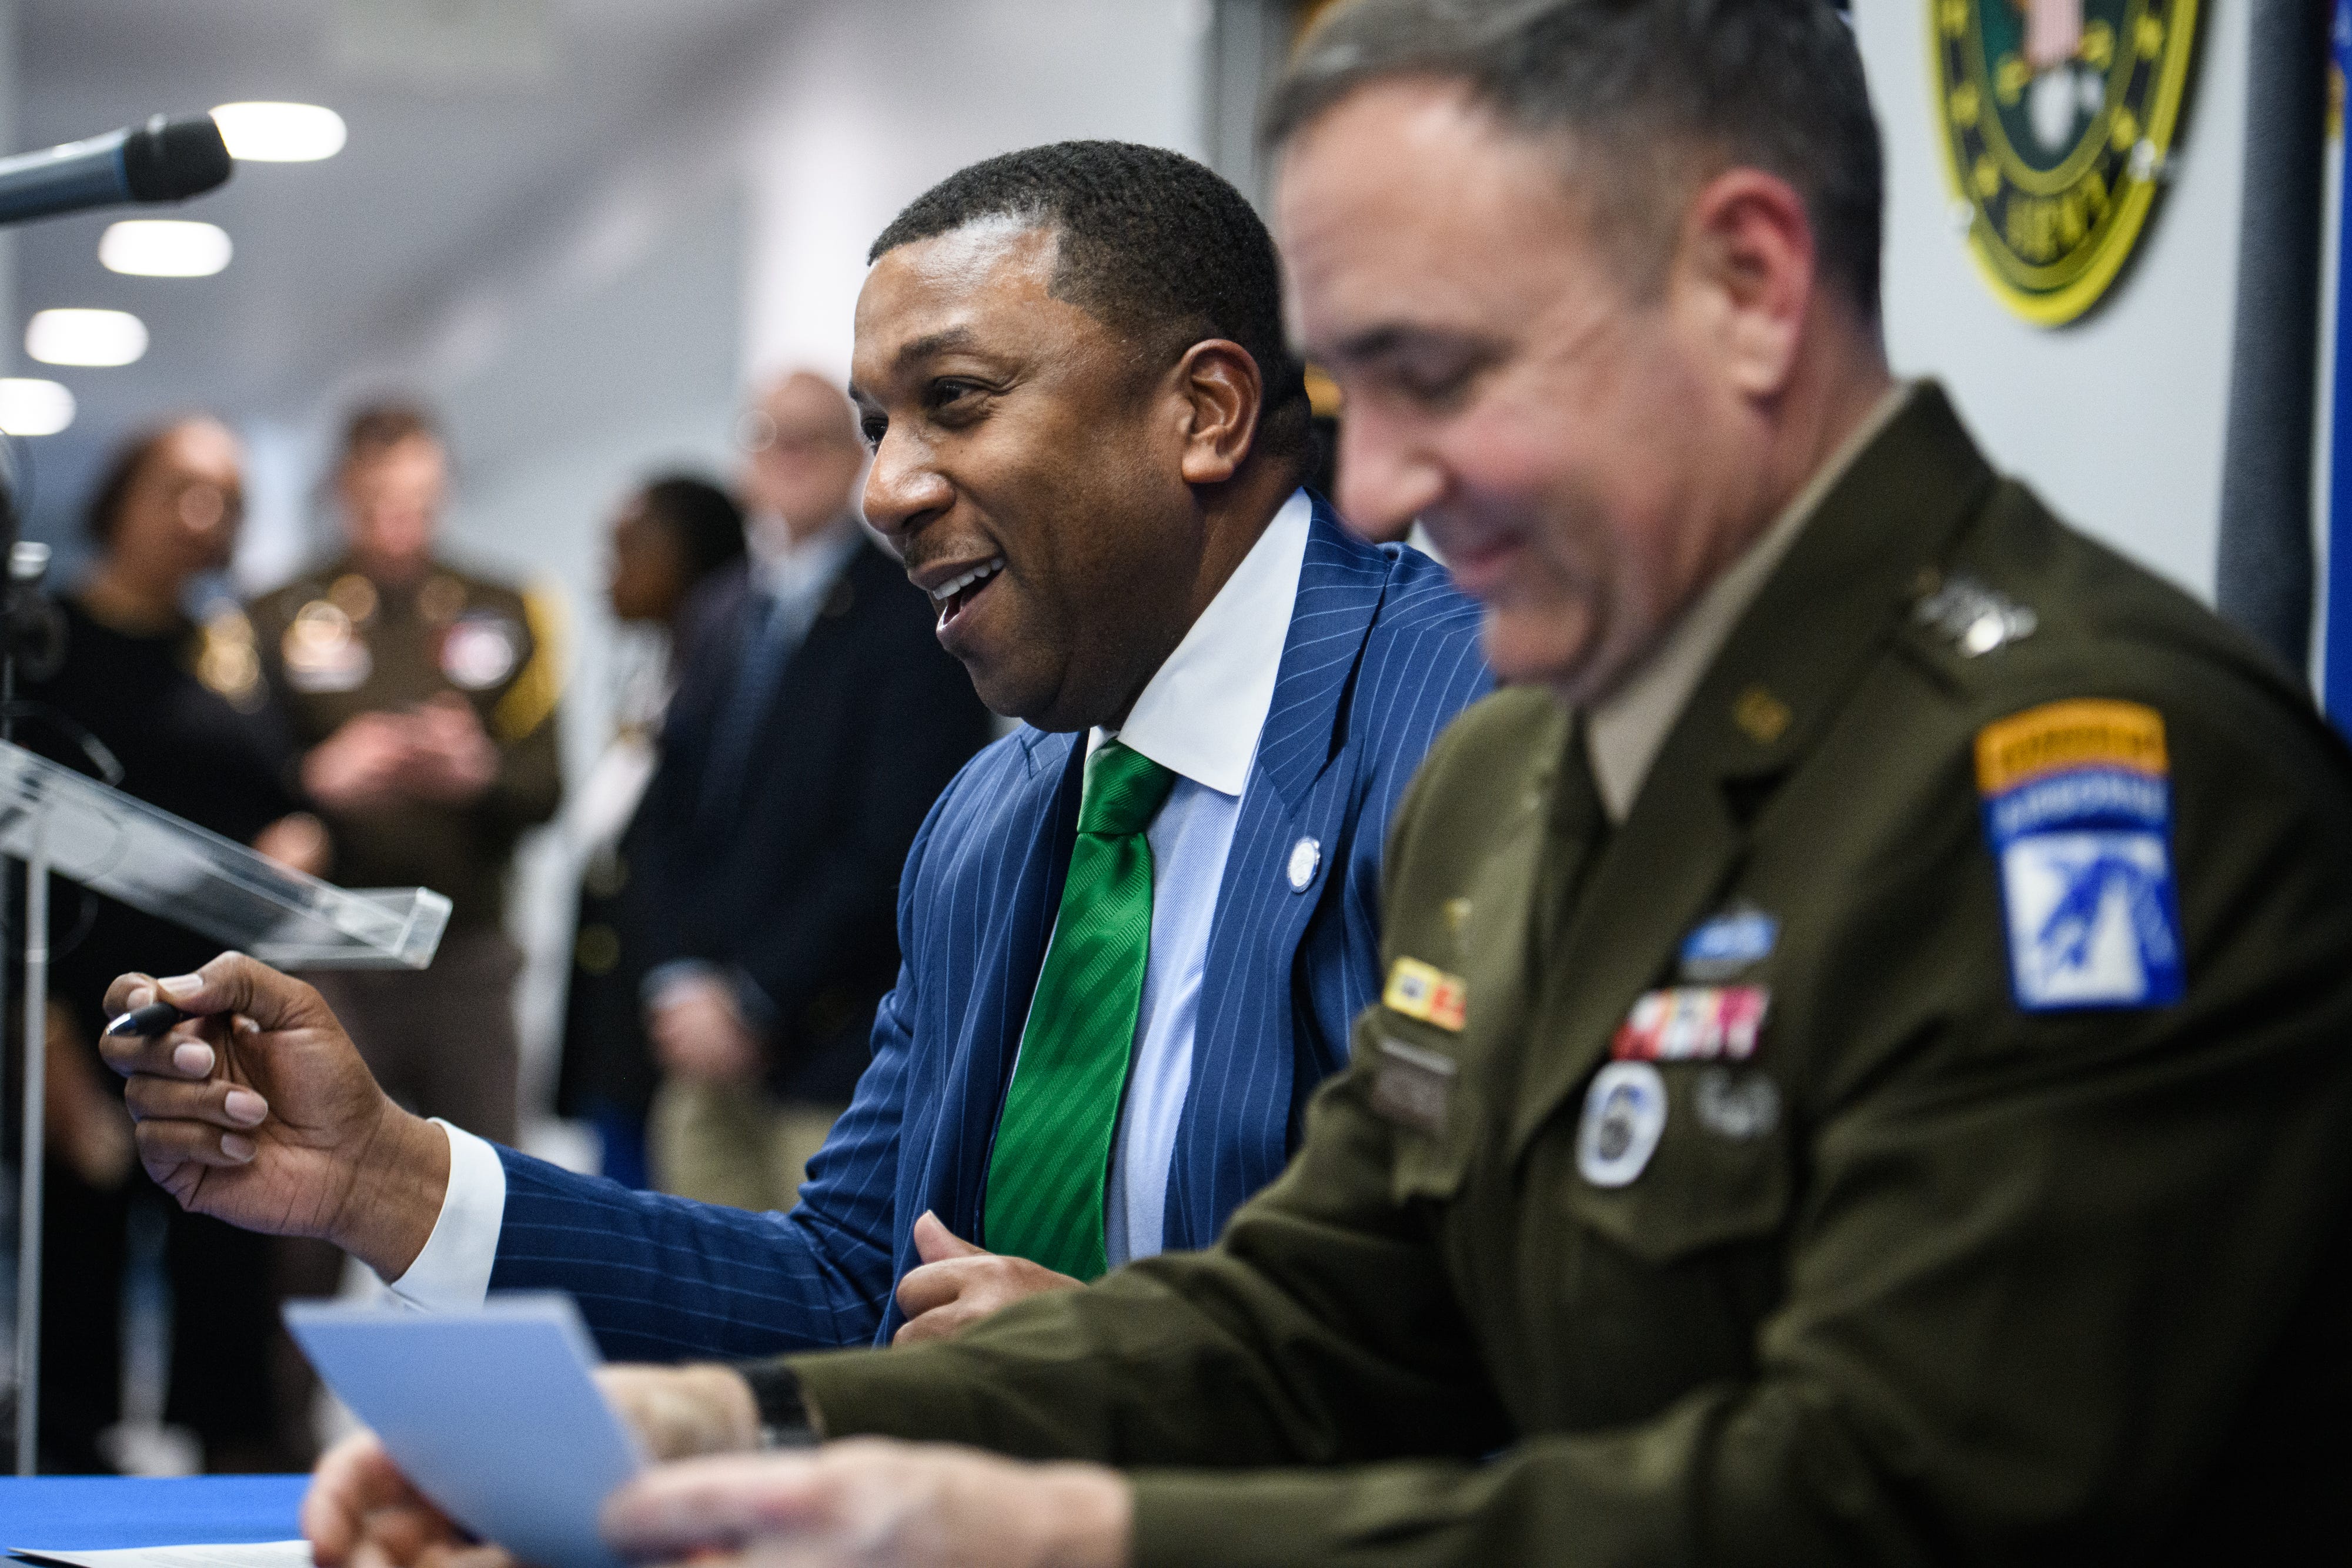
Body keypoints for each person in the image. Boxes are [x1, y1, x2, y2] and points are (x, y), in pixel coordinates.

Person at [290, 2, 2352, 1563]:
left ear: (1743, 284)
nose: (1371, 492)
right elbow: (1319, 1307)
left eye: (1440, 373)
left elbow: (1886, 1496)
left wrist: (1076, 1528)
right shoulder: (1545, 763)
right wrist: (747, 1434)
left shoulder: (2083, 776)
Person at [99, 141, 1489, 1361]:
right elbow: (847, 1288)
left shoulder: (1481, 735)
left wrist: (1133, 1374)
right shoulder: (991, 824)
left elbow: (1545, 1353)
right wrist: (383, 1177)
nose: (885, 491)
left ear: (1204, 412)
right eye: (878, 429)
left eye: (955, 400)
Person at [24, 417, 325, 1473]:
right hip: (74, 1019)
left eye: (228, 500)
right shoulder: (47, 648)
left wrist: (298, 836)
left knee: (225, 1294)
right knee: (72, 1293)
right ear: (120, 499)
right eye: (182, 490)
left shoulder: (227, 652)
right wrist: (44, 1045)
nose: (206, 517)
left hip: (215, 1020)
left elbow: (276, 794)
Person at [636, 372, 992, 1213]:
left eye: (812, 439)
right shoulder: (719, 612)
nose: (787, 457)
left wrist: (754, 999)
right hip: (699, 1047)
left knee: (820, 1279)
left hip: (835, 1053)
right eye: (767, 437)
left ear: (856, 458)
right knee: (694, 1275)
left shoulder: (916, 616)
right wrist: (678, 978)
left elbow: (896, 843)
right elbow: (663, 815)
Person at [247, 402, 563, 1146]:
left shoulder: (507, 608)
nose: (402, 521)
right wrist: (316, 781)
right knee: (315, 1184)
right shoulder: (274, 615)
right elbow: (229, 790)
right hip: (324, 951)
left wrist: (477, 773)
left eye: (421, 500)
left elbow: (547, 789)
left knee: (484, 1181)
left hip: (464, 950)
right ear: (342, 490)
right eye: (381, 501)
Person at [557, 474, 748, 1189]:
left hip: (680, 1040)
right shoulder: (655, 684)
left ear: (695, 556)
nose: (607, 572)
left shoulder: (732, 692)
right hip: (618, 1037)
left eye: (630, 549)